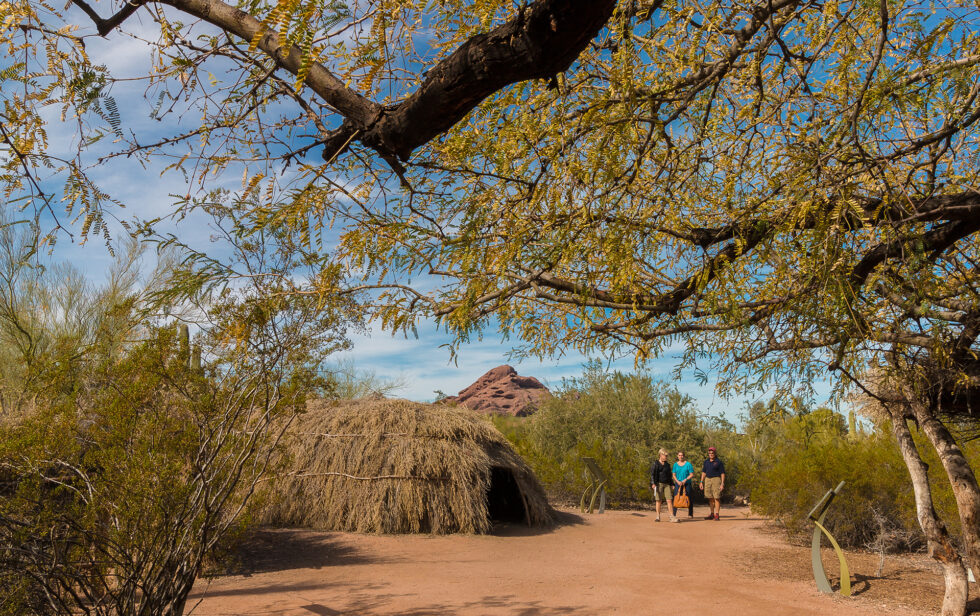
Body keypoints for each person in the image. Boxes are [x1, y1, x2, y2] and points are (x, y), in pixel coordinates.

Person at [649, 448, 677, 522]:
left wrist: (672, 484)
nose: (666, 457)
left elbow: (669, 475)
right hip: (658, 484)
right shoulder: (656, 464)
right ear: (660, 455)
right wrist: (653, 483)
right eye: (665, 455)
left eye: (667, 456)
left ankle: (671, 516)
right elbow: (652, 474)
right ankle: (658, 516)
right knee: (658, 500)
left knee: (669, 500)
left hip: (667, 484)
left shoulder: (667, 465)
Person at [699, 446, 726, 520]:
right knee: (710, 497)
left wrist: (722, 483)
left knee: (716, 497)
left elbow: (722, 473)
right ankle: (712, 514)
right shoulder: (706, 462)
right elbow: (704, 472)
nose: (711, 454)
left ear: (715, 453)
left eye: (712, 453)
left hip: (716, 479)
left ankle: (717, 514)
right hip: (707, 479)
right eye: (709, 453)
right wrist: (701, 482)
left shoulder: (719, 462)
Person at [672, 450, 695, 518]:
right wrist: (677, 481)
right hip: (678, 483)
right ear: (677, 456)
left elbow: (691, 474)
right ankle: (673, 514)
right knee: (676, 497)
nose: (681, 457)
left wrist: (685, 479)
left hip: (687, 483)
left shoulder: (688, 464)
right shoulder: (675, 465)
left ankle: (690, 514)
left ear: (684, 456)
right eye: (679, 455)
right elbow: (673, 475)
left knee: (689, 497)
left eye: (682, 455)